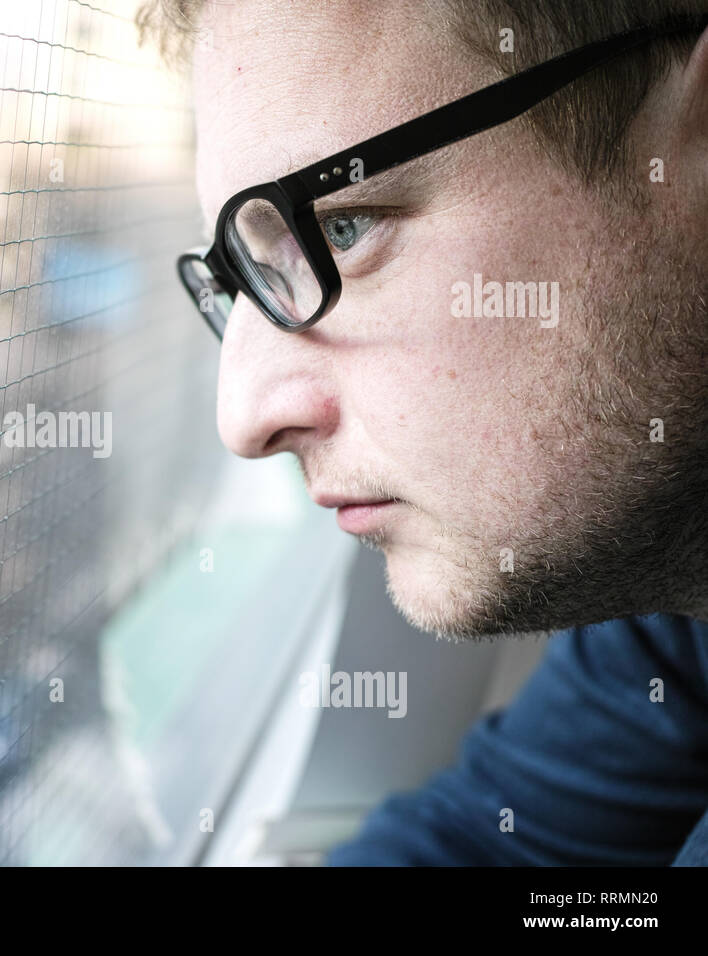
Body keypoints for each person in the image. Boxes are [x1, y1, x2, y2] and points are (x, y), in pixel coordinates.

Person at [137, 0, 708, 864]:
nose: (243, 418)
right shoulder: (676, 613)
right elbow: (501, 838)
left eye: (343, 226)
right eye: (242, 281)